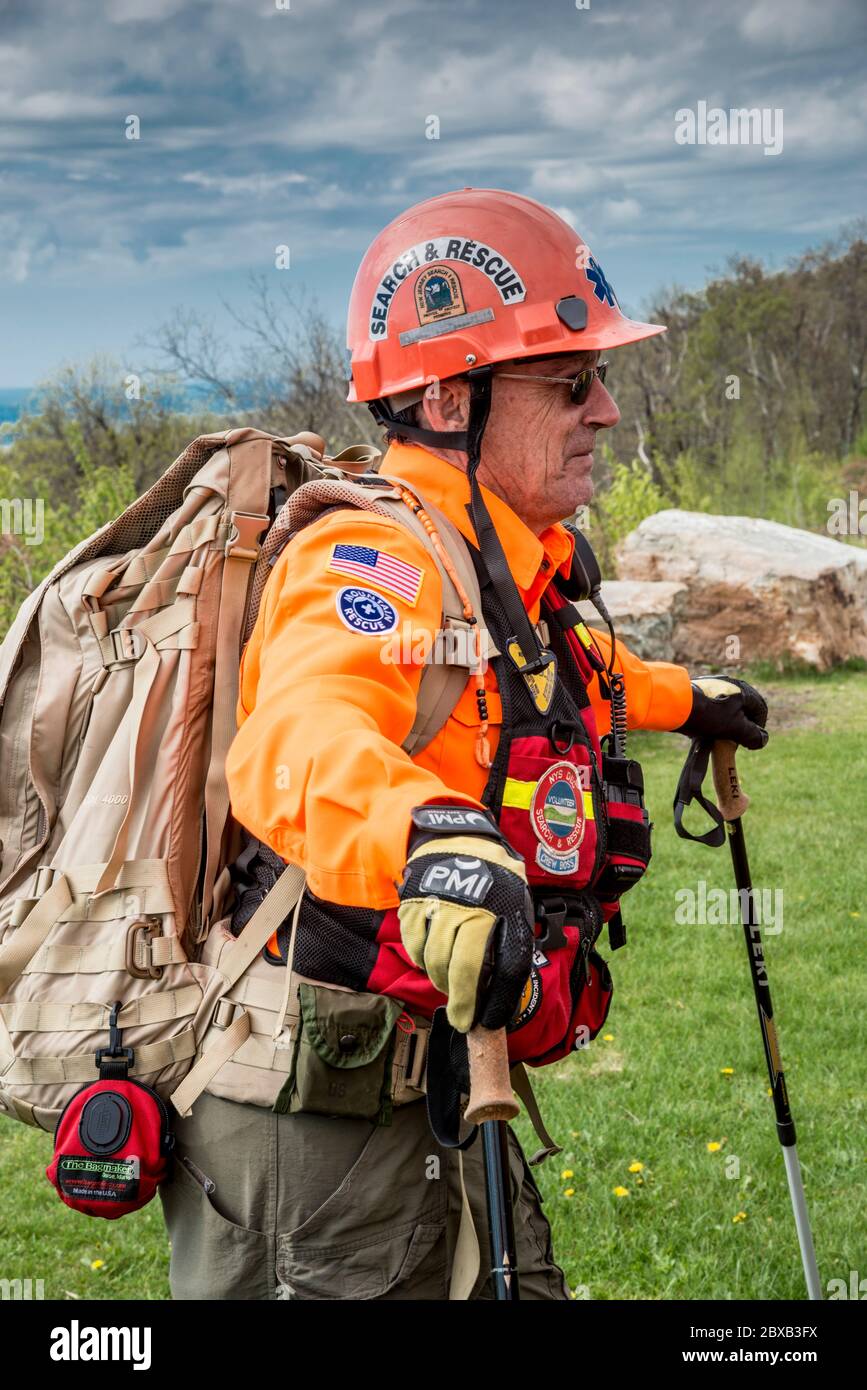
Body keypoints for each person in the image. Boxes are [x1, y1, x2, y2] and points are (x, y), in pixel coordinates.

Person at [159, 188, 768, 1300]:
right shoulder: (373, 558)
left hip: (444, 1079)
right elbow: (299, 733)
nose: (609, 411)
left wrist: (694, 698)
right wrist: (427, 832)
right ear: (448, 399)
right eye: (572, 381)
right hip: (317, 1131)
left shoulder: (505, 563)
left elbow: (562, 686)